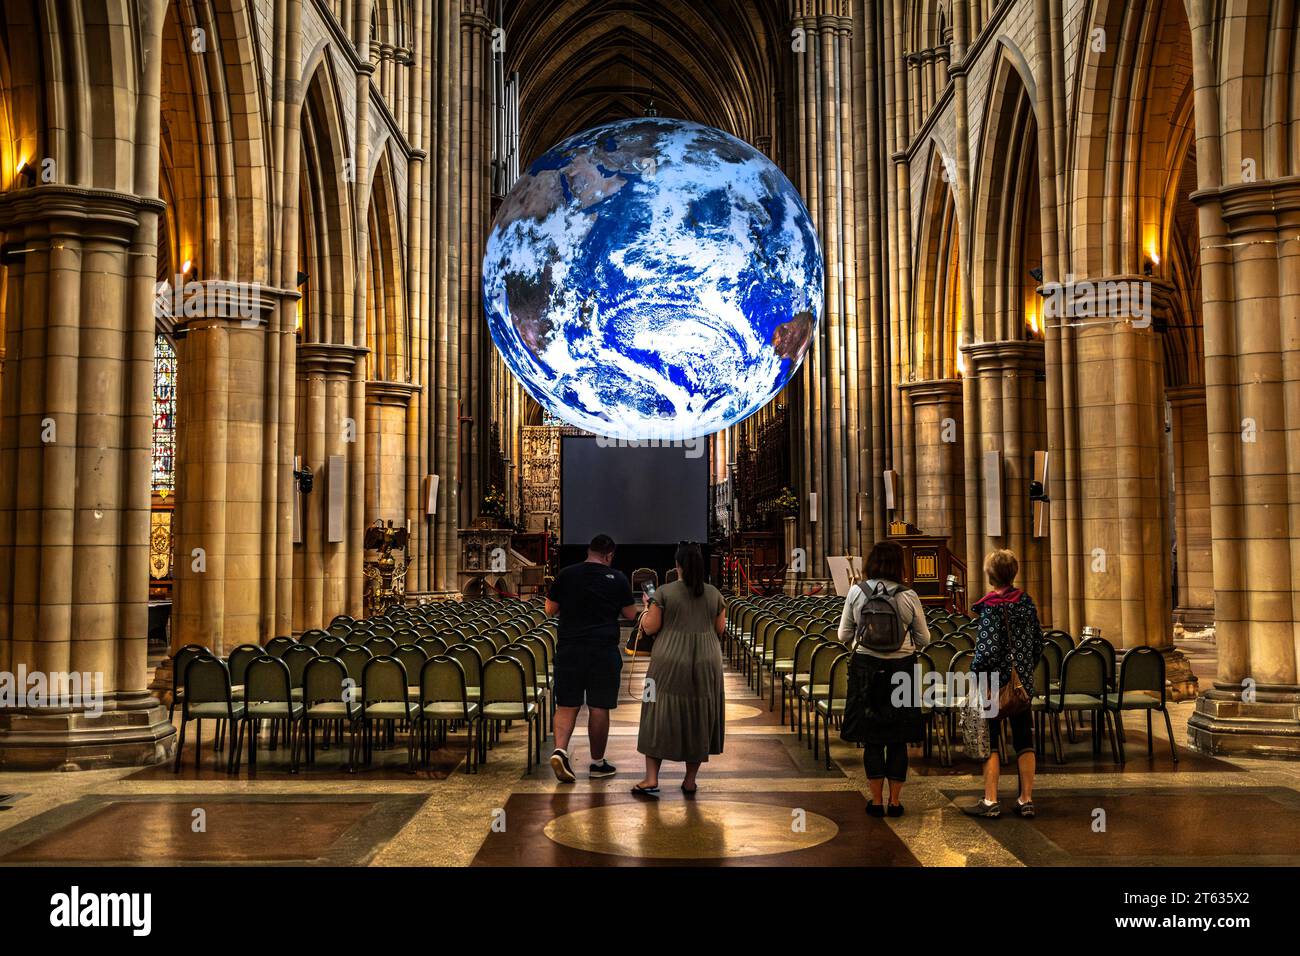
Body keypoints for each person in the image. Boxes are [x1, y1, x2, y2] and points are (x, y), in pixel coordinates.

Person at [837, 540, 930, 818]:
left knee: (873, 738)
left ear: (871, 563)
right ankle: (896, 802)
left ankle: (876, 801)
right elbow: (924, 638)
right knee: (898, 738)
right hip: (902, 670)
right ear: (899, 565)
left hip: (866, 670)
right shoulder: (909, 595)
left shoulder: (857, 592)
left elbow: (843, 636)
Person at [632, 542, 726, 796]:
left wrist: (646, 608)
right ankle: (690, 781)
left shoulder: (662, 592)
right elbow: (720, 629)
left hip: (669, 658)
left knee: (657, 712)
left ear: (678, 565)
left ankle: (651, 779)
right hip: (707, 658)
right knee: (699, 714)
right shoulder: (714, 594)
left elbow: (650, 627)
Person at [545, 534, 639, 783]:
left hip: (569, 649)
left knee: (566, 704)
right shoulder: (617, 578)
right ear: (609, 555)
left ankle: (560, 751)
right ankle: (597, 763)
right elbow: (631, 615)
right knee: (599, 706)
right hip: (603, 650)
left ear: (589, 551)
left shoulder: (566, 574)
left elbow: (549, 609)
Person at [962, 548, 1044, 819]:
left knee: (992, 741)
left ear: (990, 576)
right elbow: (1037, 644)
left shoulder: (990, 608)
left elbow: (985, 651)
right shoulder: (1027, 602)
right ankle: (1026, 799)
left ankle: (991, 800)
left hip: (993, 683)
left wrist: (976, 675)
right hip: (1021, 684)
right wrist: (1024, 671)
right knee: (1024, 739)